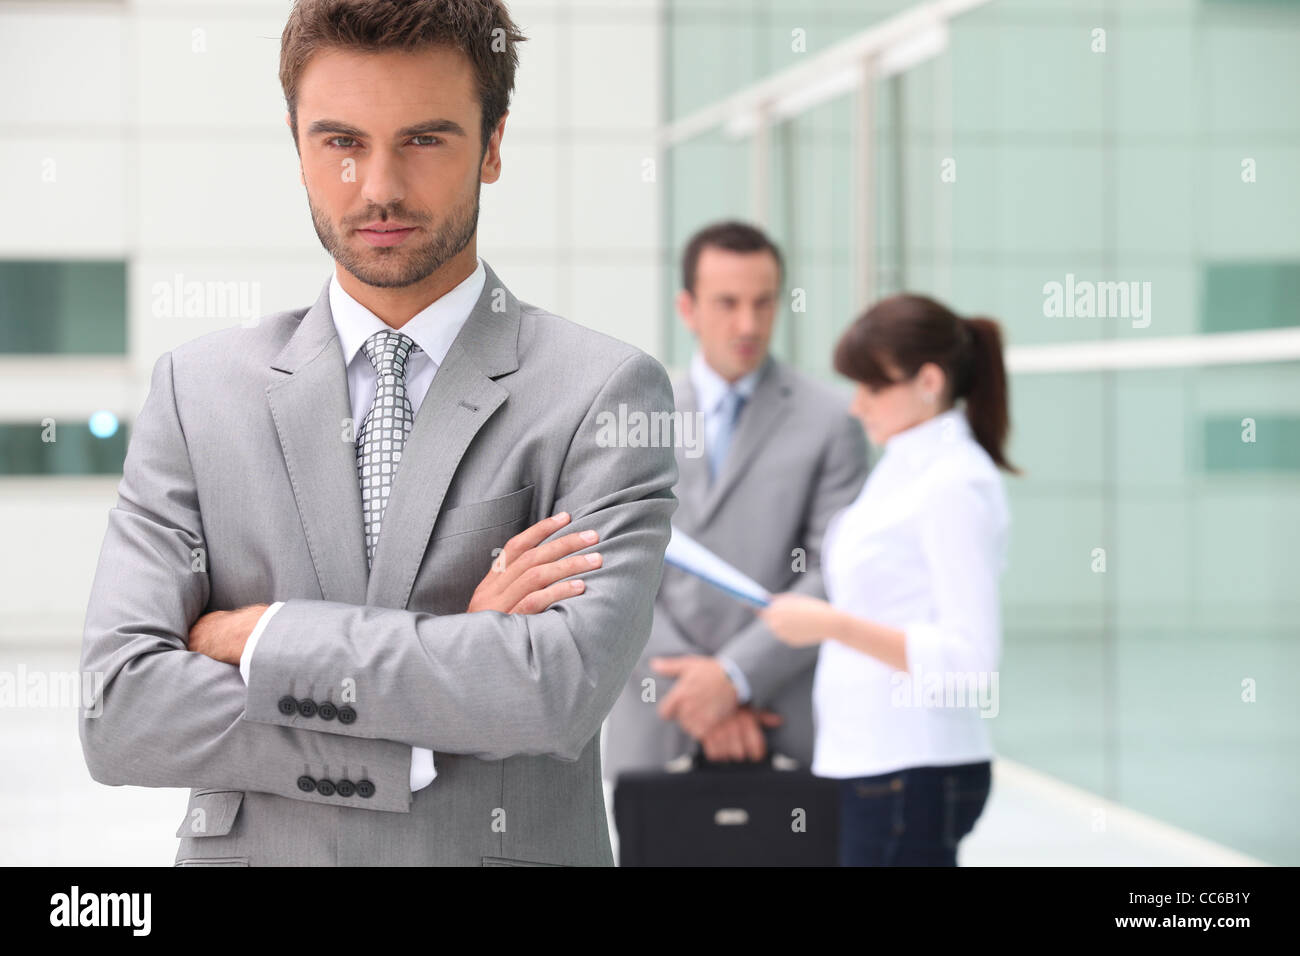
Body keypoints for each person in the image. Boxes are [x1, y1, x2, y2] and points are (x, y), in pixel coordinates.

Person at [78, 0, 678, 867]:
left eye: (424, 140)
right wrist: (451, 680)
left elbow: (553, 690)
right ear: (297, 144)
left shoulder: (605, 394)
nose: (380, 188)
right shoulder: (196, 392)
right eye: (341, 142)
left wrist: (260, 637)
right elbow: (121, 710)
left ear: (495, 143)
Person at [759, 293, 1019, 866]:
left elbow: (971, 663)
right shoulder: (905, 467)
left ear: (929, 380)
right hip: (878, 763)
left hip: (913, 770)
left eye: (874, 388)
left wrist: (832, 625)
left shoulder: (954, 484)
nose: (857, 407)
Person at [604, 221, 868, 784]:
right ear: (687, 307)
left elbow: (835, 570)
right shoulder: (633, 415)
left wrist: (735, 676)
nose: (747, 324)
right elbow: (610, 567)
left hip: (779, 717)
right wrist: (696, 688)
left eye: (763, 303)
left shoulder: (833, 420)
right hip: (660, 713)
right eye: (727, 303)